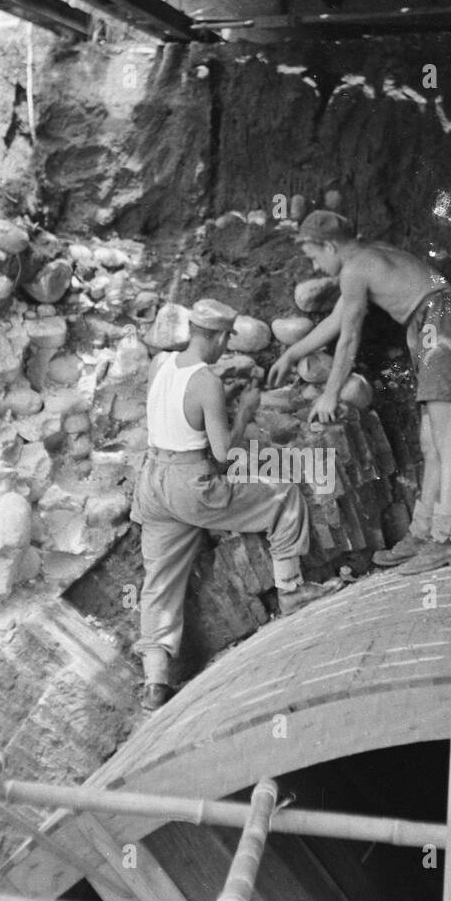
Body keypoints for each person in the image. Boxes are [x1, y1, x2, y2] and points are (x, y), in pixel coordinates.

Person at [131, 297, 332, 711]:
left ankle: (154, 681)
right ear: (222, 337)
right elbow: (224, 454)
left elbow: (172, 415)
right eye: (227, 342)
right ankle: (291, 590)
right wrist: (245, 410)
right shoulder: (206, 382)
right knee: (284, 496)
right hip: (190, 483)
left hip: (152, 483)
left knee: (160, 581)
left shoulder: (160, 364)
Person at [267, 210, 451, 574]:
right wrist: (293, 352)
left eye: (314, 256)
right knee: (430, 443)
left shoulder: (356, 268)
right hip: (431, 319)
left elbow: (350, 337)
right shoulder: (363, 258)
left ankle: (449, 541)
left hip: (440, 320)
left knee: (448, 440)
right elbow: (336, 320)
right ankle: (424, 533)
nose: (314, 264)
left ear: (329, 246)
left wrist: (330, 393)